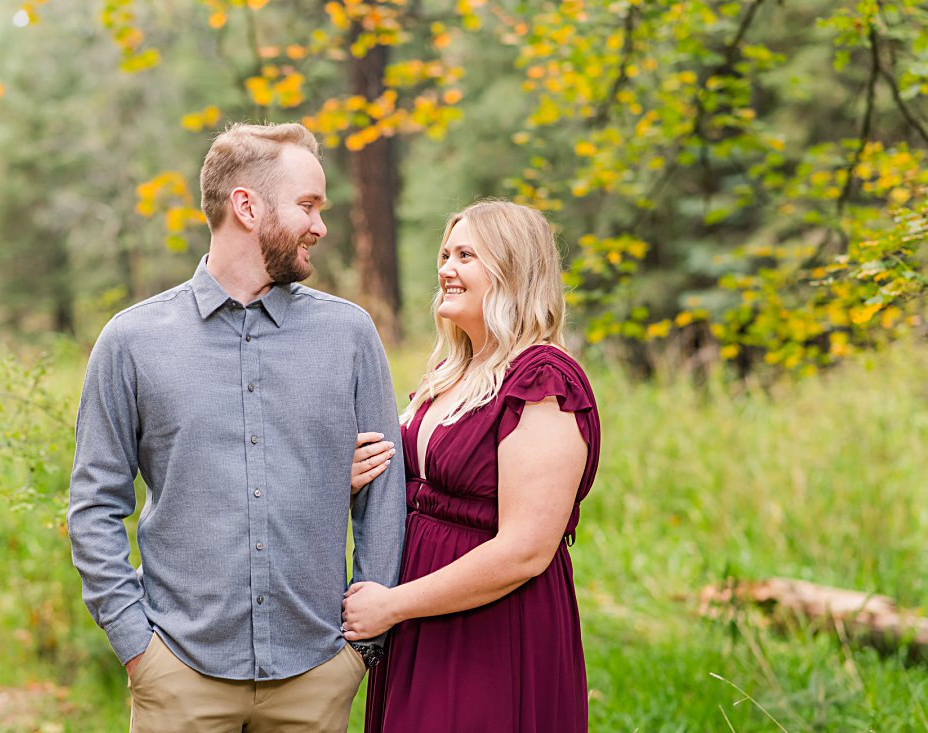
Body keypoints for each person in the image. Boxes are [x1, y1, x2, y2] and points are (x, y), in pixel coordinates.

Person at [67, 122, 406, 733]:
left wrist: (360, 649)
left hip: (318, 673)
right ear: (246, 206)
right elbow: (94, 505)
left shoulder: (350, 336)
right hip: (179, 675)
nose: (321, 226)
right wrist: (136, 646)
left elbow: (385, 492)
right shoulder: (132, 341)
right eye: (307, 206)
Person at [343, 200, 601, 732]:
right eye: (444, 254)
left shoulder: (543, 381)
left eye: (465, 255)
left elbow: (525, 549)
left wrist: (393, 605)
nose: (445, 269)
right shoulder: (451, 372)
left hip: (491, 626)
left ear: (511, 270)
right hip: (422, 621)